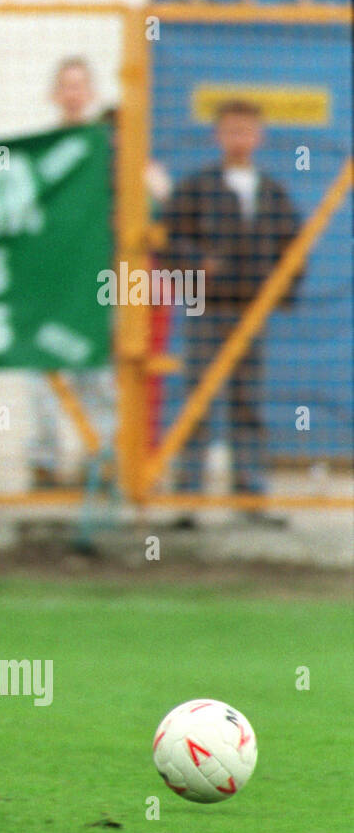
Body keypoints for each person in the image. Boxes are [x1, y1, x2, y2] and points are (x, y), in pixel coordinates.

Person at [163, 99, 301, 522]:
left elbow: (293, 248)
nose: (239, 138)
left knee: (247, 402)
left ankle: (250, 497)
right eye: (231, 129)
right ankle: (188, 498)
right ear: (217, 135)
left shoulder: (272, 192)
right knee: (198, 402)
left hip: (251, 314)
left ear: (259, 137)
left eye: (247, 130)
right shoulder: (197, 187)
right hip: (207, 310)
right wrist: (195, 265)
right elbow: (168, 240)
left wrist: (281, 293)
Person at [27, 57, 117, 489]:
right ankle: (44, 460)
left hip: (92, 284)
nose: (73, 94)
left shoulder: (108, 152)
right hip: (48, 284)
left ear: (91, 94)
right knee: (42, 376)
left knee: (96, 377)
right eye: (65, 86)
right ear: (54, 95)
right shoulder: (39, 152)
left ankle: (98, 458)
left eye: (80, 86)